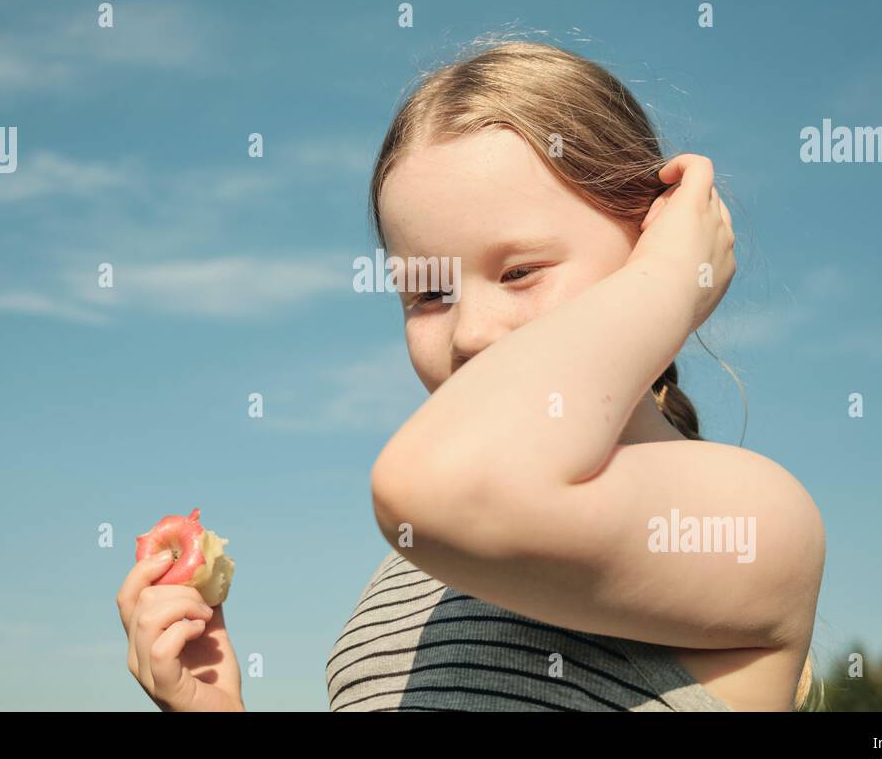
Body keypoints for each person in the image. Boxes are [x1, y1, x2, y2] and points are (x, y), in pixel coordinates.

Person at [117, 38, 826, 712]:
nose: (470, 332)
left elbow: (437, 486)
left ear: (651, 241)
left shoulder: (748, 519)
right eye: (428, 294)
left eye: (520, 272)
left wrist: (677, 277)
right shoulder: (416, 572)